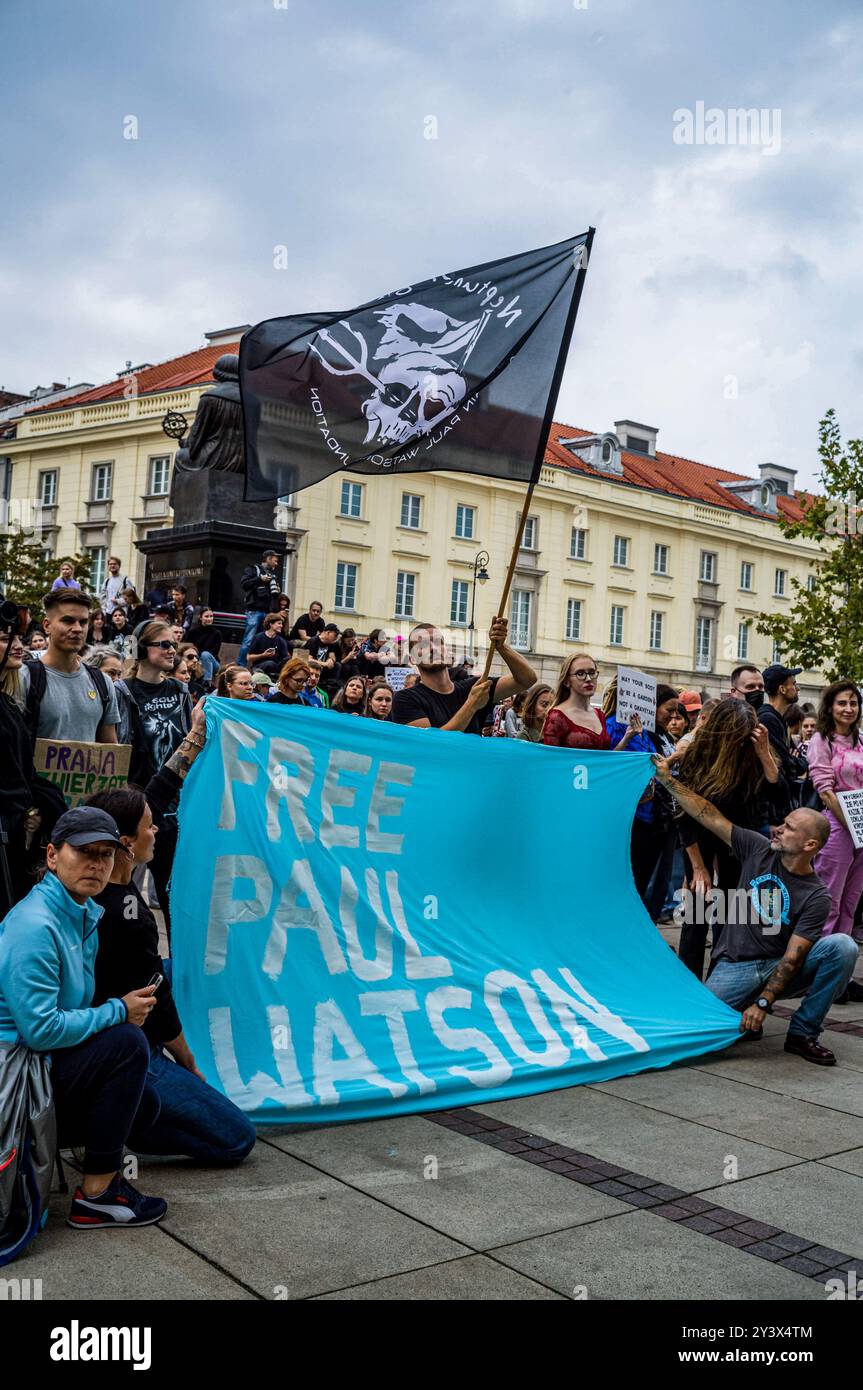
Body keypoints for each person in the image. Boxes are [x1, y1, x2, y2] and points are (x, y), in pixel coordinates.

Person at [86, 710, 256, 1167]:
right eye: (148, 827)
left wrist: (196, 737)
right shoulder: (124, 915)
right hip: (124, 1044)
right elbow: (155, 1002)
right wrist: (189, 1062)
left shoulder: (100, 871)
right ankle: (120, 1119)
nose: (157, 827)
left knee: (176, 967)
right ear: (125, 842)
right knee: (236, 1139)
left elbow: (155, 796)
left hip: (112, 1021)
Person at [0, 806, 169, 1229]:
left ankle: (94, 1163)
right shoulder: (36, 925)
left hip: (35, 1065)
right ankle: (97, 1195)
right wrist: (118, 1012)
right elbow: (40, 1031)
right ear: (53, 856)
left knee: (145, 1106)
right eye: (84, 852)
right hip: (15, 1077)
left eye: (106, 854)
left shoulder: (80, 912)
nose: (96, 864)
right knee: (127, 1045)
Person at [653, 755, 857, 1065]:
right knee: (692, 1033)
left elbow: (793, 957)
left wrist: (763, 1003)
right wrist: (667, 780)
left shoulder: (816, 895)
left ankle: (803, 1032)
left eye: (788, 829)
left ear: (810, 845)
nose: (778, 830)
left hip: (778, 966)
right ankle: (736, 1015)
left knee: (843, 947)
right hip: (736, 966)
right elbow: (707, 814)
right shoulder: (757, 847)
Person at [674, 701, 786, 978]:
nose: (738, 742)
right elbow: (683, 816)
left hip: (739, 841)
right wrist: (698, 867)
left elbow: (782, 801)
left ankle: (720, 982)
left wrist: (765, 756)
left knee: (731, 914)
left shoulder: (753, 754)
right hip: (700, 839)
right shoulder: (698, 755)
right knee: (697, 913)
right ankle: (688, 984)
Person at [116, 620, 192, 935]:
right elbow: (118, 746)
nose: (171, 649)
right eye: (163, 644)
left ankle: (177, 968)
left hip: (175, 809)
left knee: (173, 894)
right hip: (139, 806)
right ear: (142, 649)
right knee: (125, 891)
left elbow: (190, 740)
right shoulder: (123, 691)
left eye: (173, 644)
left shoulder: (179, 690)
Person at [0, 626, 67, 914]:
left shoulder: (7, 703)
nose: (18, 646)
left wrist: (35, 808)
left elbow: (23, 771)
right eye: (6, 639)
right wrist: (23, 809)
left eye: (18, 638)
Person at [604, 679, 681, 902]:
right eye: (669, 710)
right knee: (626, 877)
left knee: (642, 876)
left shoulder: (646, 732)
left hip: (650, 815)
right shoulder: (612, 724)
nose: (674, 716)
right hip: (629, 814)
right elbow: (610, 763)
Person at [392, 618, 535, 735]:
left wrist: (502, 647)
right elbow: (433, 745)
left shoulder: (474, 688)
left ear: (447, 652)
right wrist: (471, 705)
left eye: (438, 642)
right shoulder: (405, 699)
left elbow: (527, 679)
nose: (432, 648)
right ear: (412, 659)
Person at [807, 682, 863, 968]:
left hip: (861, 828)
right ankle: (820, 968)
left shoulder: (861, 740)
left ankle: (841, 970)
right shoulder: (821, 740)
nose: (849, 709)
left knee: (851, 902)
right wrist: (853, 825)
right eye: (842, 703)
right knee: (830, 900)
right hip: (838, 827)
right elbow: (825, 790)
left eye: (853, 703)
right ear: (830, 706)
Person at [20, 589, 120, 745]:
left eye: (83, 622)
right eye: (68, 621)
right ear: (47, 626)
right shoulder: (24, 678)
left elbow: (109, 752)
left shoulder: (104, 683)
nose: (77, 629)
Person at [543, 655, 619, 750]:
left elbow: (605, 758)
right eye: (580, 673)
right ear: (567, 681)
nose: (588, 678)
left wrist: (628, 736)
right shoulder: (557, 716)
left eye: (592, 673)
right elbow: (550, 759)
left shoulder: (600, 715)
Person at [757, 663, 803, 805]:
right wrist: (804, 763)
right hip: (769, 803)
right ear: (782, 689)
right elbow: (785, 764)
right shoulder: (768, 719)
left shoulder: (778, 719)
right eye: (793, 684)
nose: (797, 688)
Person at [238, 550, 281, 665]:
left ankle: (259, 666)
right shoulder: (253, 569)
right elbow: (244, 584)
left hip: (267, 612)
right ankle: (241, 665)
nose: (277, 564)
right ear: (268, 558)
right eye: (275, 561)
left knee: (263, 641)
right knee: (248, 640)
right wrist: (259, 579)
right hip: (254, 611)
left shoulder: (272, 575)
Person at [186, 607, 223, 686]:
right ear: (200, 617)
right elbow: (187, 647)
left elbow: (214, 652)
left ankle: (207, 683)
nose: (209, 618)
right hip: (196, 660)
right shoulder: (193, 632)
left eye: (211, 616)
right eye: (206, 616)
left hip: (213, 663)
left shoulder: (217, 633)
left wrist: (200, 660)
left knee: (205, 654)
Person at [305, 623, 343, 699]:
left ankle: (331, 685)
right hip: (313, 667)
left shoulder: (331, 644)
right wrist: (325, 664)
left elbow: (332, 657)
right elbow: (308, 659)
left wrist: (331, 660)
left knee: (337, 665)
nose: (336, 638)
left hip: (323, 669)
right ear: (328, 633)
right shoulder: (313, 641)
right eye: (335, 635)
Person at [246, 612, 290, 677]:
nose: (281, 626)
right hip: (259, 667)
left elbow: (285, 658)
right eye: (279, 623)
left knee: (289, 659)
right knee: (270, 663)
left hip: (275, 668)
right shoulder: (258, 637)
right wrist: (263, 655)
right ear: (271, 624)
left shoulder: (281, 641)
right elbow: (249, 658)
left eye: (282, 624)